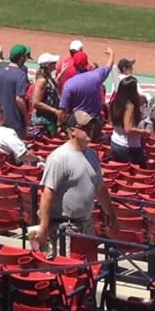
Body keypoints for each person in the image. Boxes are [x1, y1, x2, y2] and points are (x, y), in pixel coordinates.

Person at [34, 109, 116, 258]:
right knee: (66, 273)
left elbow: (100, 188)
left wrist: (112, 215)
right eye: (84, 128)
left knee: (90, 270)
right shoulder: (59, 158)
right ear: (72, 131)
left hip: (86, 225)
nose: (89, 131)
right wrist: (43, 227)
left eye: (91, 128)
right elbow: (47, 194)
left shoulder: (92, 155)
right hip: (65, 228)